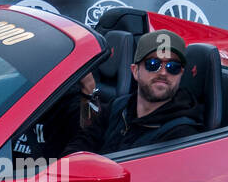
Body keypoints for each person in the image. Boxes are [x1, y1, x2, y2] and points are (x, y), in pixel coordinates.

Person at [63, 30, 201, 155]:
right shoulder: (119, 106)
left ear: (181, 74)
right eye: (153, 64)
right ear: (135, 71)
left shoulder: (182, 135)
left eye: (173, 67)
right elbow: (85, 137)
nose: (163, 72)